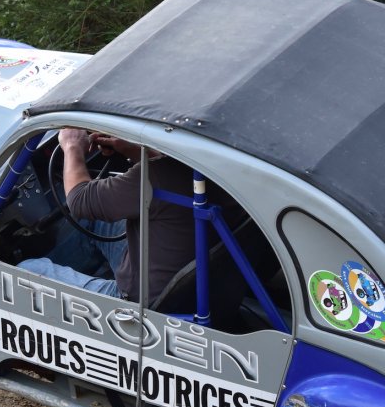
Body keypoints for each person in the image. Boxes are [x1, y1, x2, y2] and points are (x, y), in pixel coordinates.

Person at [20, 128, 234, 302]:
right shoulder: (207, 163)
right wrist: (134, 149)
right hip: (192, 278)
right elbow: (165, 172)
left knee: (26, 270)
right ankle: (67, 286)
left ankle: (60, 291)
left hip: (139, 303)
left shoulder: (154, 179)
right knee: (91, 222)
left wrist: (72, 146)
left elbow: (79, 201)